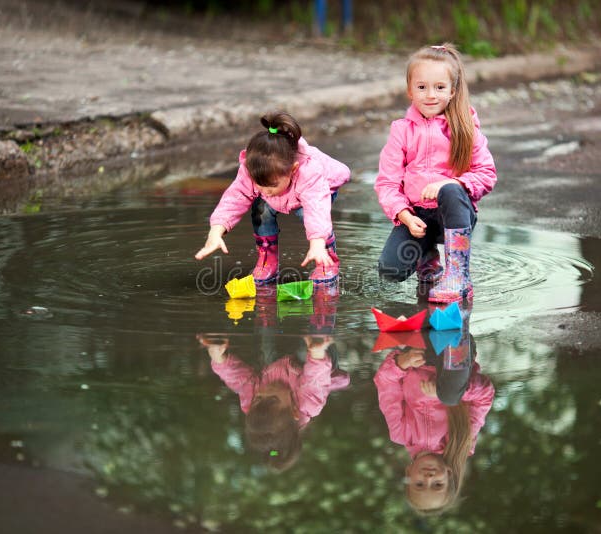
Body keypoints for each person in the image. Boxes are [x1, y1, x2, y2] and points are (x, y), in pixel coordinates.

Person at [375, 43, 497, 302]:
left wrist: (450, 184)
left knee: (451, 190)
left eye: (439, 87)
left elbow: (486, 173)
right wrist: (405, 216)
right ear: (410, 91)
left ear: (452, 91)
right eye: (422, 87)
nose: (430, 95)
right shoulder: (401, 130)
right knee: (390, 270)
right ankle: (428, 259)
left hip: (453, 216)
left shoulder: (465, 129)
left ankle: (458, 275)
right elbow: (387, 183)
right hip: (417, 217)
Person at [195, 111, 350, 285]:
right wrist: (215, 232)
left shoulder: (309, 172)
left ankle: (326, 261)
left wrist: (316, 245)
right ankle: (267, 259)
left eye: (271, 185)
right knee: (260, 208)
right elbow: (235, 197)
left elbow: (317, 210)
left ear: (292, 169)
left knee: (307, 214)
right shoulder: (252, 169)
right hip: (287, 193)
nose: (265, 191)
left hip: (322, 189)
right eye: (259, 184)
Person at [373, 333, 495, 514]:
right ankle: (457, 313)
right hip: (455, 358)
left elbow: (385, 383)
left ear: (409, 473)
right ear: (449, 474)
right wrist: (447, 393)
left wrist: (401, 362)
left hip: (417, 349)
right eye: (437, 484)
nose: (428, 477)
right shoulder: (462, 441)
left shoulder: (401, 433)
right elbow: (485, 394)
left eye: (420, 484)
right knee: (450, 316)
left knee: (425, 310)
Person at [200, 334, 349, 471]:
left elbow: (239, 379)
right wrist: (317, 352)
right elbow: (314, 379)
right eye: (273, 399)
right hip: (317, 365)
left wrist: (219, 357)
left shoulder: (251, 405)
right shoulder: (307, 404)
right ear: (294, 412)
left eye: (258, 398)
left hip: (277, 362)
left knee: (265, 347)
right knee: (313, 347)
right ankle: (317, 330)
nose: (265, 391)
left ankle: (267, 315)